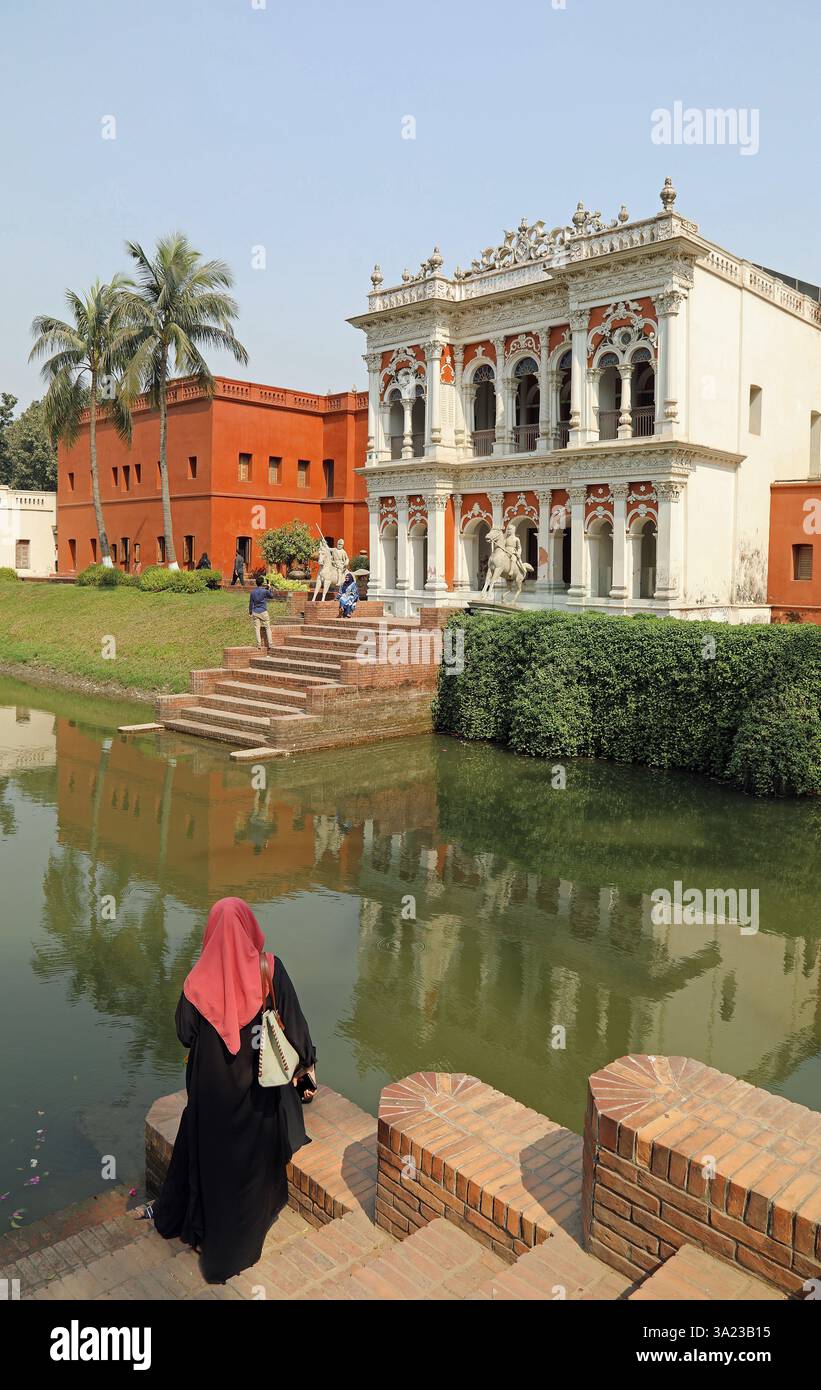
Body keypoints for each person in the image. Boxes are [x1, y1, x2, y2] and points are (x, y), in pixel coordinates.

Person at [134, 898, 317, 1284]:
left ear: (211, 932)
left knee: (209, 1155)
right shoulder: (270, 967)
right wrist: (306, 1068)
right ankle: (240, 1236)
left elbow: (185, 1034)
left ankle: (198, 1224)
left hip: (210, 1092)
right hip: (257, 1090)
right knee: (248, 1159)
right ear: (248, 927)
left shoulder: (197, 979)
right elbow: (296, 1030)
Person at [249, 572, 274, 649]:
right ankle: (270, 644)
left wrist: (250, 611)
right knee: (267, 627)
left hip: (255, 611)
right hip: (263, 611)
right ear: (262, 583)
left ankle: (258, 644)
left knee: (257, 628)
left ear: (256, 583)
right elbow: (271, 596)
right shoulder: (264, 591)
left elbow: (251, 603)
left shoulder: (252, 592)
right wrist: (269, 588)